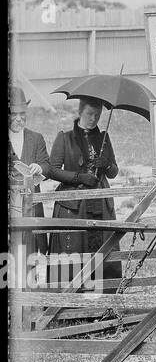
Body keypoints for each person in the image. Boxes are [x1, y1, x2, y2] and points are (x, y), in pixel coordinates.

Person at [47, 99, 120, 283]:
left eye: (97, 115)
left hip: (100, 205)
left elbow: (113, 172)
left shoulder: (104, 138)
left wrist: (107, 164)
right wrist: (79, 177)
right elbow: (52, 170)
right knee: (73, 254)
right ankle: (69, 302)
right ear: (80, 112)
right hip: (73, 206)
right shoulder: (65, 137)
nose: (93, 119)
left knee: (103, 251)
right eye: (89, 114)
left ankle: (104, 302)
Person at [8, 87, 50, 260]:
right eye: (14, 114)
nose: (19, 118)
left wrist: (40, 168)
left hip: (31, 209)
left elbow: (48, 166)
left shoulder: (36, 138)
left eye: (22, 113)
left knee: (30, 258)